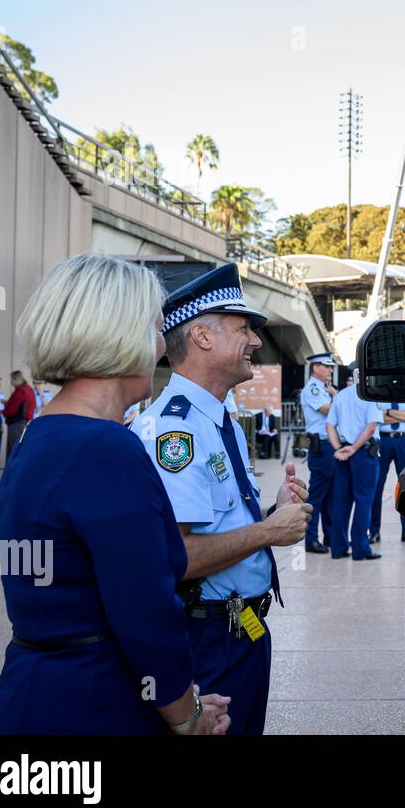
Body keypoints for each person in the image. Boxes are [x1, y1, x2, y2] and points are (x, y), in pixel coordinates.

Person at [0, 252, 231, 735]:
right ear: (120, 336)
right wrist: (187, 715)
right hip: (93, 703)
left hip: (39, 691)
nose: (161, 348)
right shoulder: (105, 446)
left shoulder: (43, 434)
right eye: (157, 330)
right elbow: (145, 611)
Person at [140, 263, 311, 735]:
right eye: (243, 329)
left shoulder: (221, 421)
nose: (256, 341)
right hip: (209, 638)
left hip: (243, 630)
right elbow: (179, 557)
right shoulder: (175, 430)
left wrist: (272, 510)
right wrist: (269, 532)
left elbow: (221, 521)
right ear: (201, 337)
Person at [326, 363, 383, 561]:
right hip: (363, 454)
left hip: (344, 452)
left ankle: (338, 548)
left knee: (341, 501)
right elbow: (371, 427)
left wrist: (338, 449)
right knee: (364, 501)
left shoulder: (341, 395)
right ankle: (360, 549)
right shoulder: (371, 394)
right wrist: (354, 448)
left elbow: (330, 425)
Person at [370, 396, 405, 544]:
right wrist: (402, 416)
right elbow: (376, 418)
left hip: (404, 440)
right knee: (376, 486)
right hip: (382, 440)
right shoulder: (377, 394)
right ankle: (374, 531)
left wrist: (388, 413)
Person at [299, 352, 337, 554]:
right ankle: (311, 538)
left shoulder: (324, 388)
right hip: (321, 447)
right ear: (316, 368)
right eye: (327, 366)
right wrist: (337, 397)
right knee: (317, 496)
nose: (331, 369)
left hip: (329, 445)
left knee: (331, 495)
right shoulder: (313, 389)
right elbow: (329, 410)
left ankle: (330, 537)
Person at [1, 371, 37, 465]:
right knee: (21, 452)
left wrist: (1, 410)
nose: (11, 382)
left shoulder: (20, 391)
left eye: (11, 380)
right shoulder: (29, 389)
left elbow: (11, 411)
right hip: (26, 424)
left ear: (15, 379)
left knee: (13, 452)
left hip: (17, 424)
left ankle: (10, 478)